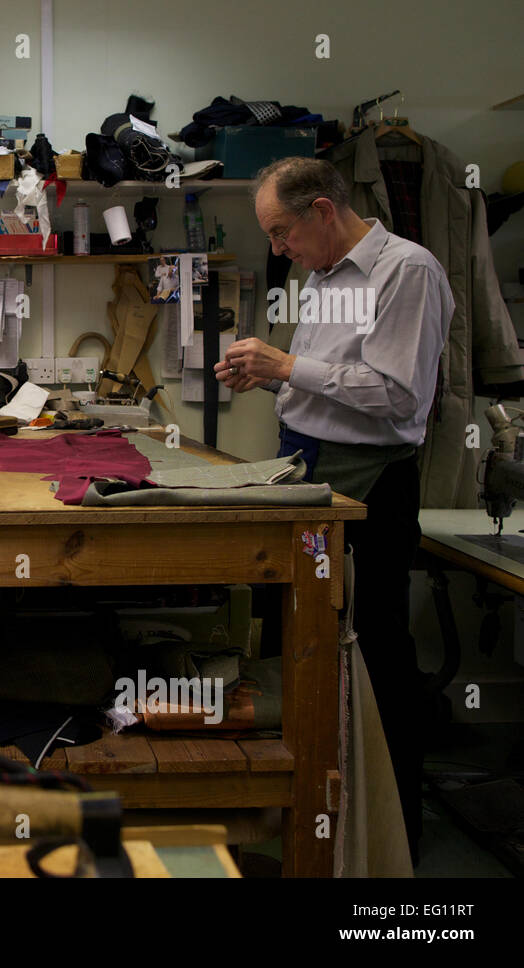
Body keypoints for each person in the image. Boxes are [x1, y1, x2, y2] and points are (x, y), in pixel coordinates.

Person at [214, 156, 453, 865]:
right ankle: (318, 818)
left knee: (375, 654)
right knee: (303, 643)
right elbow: (334, 383)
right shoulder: (322, 277)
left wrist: (287, 367)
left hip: (371, 483)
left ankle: (391, 839)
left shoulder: (406, 272)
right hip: (311, 466)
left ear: (323, 210)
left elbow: (401, 397)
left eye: (282, 232)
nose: (279, 248)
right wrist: (271, 377)